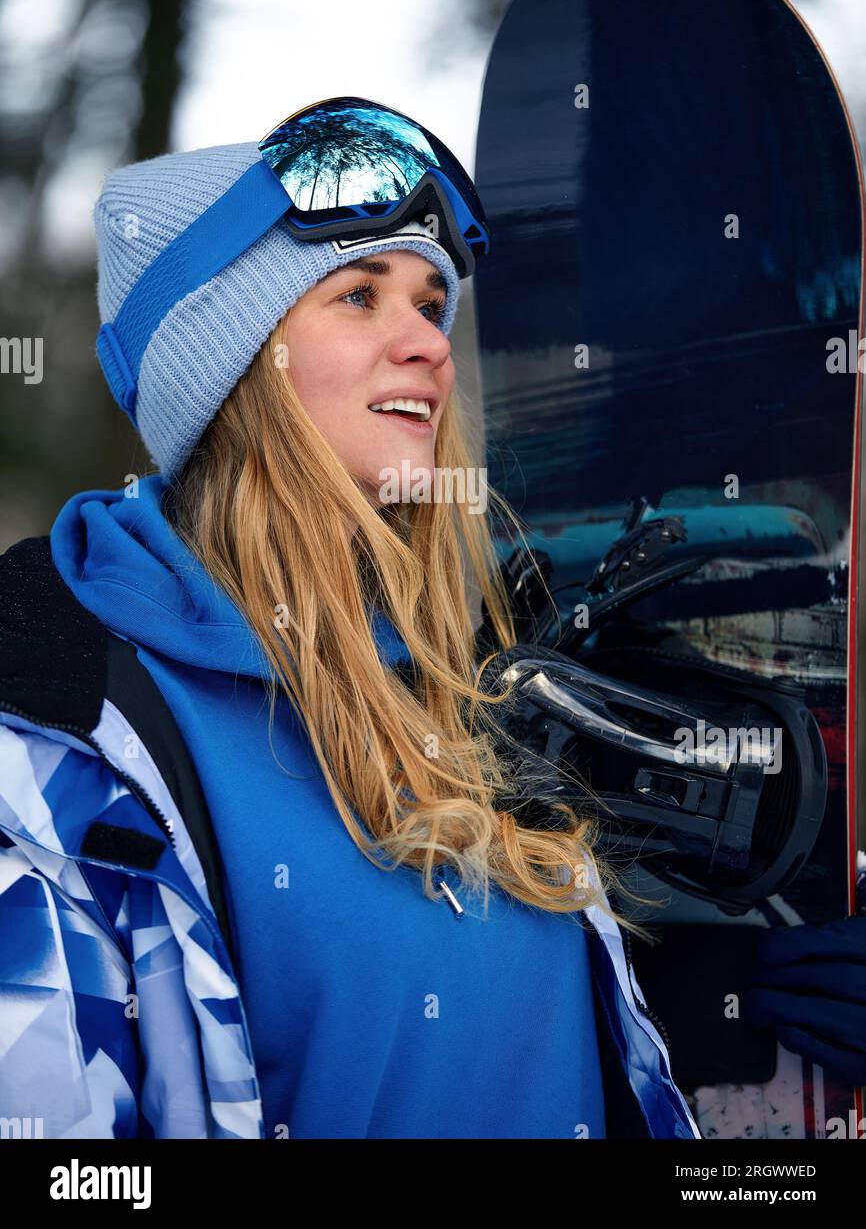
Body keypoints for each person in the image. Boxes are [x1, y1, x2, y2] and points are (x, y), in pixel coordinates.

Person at [0, 97, 700, 1140]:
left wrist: (744, 1009)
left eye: (431, 303)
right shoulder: (63, 744)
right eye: (360, 295)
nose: (424, 341)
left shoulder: (483, 683)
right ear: (236, 368)